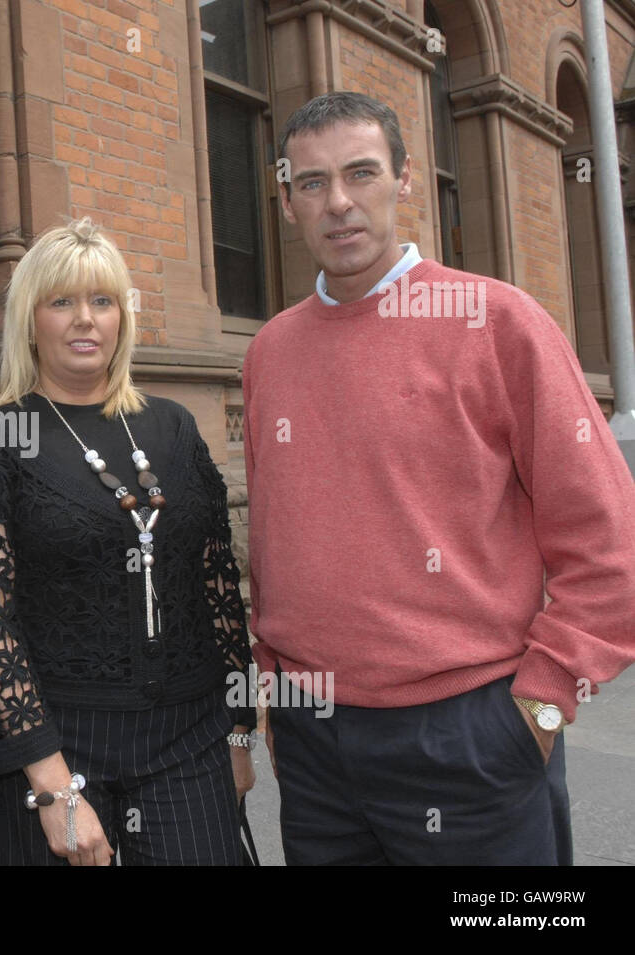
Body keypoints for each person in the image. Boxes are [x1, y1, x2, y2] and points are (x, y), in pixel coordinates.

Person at [244, 91, 635, 865]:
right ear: (287, 201)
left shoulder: (498, 322)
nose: (340, 202)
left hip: (473, 738)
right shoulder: (270, 352)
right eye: (313, 183)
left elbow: (609, 540)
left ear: (406, 180)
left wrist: (544, 703)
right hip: (315, 747)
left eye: (361, 173)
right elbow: (275, 540)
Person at [0, 217, 255, 866]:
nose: (85, 319)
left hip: (190, 736)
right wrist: (51, 784)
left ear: (122, 317)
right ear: (31, 319)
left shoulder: (172, 428)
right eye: (62, 302)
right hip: (57, 743)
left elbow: (216, 587)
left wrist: (240, 728)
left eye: (102, 300)